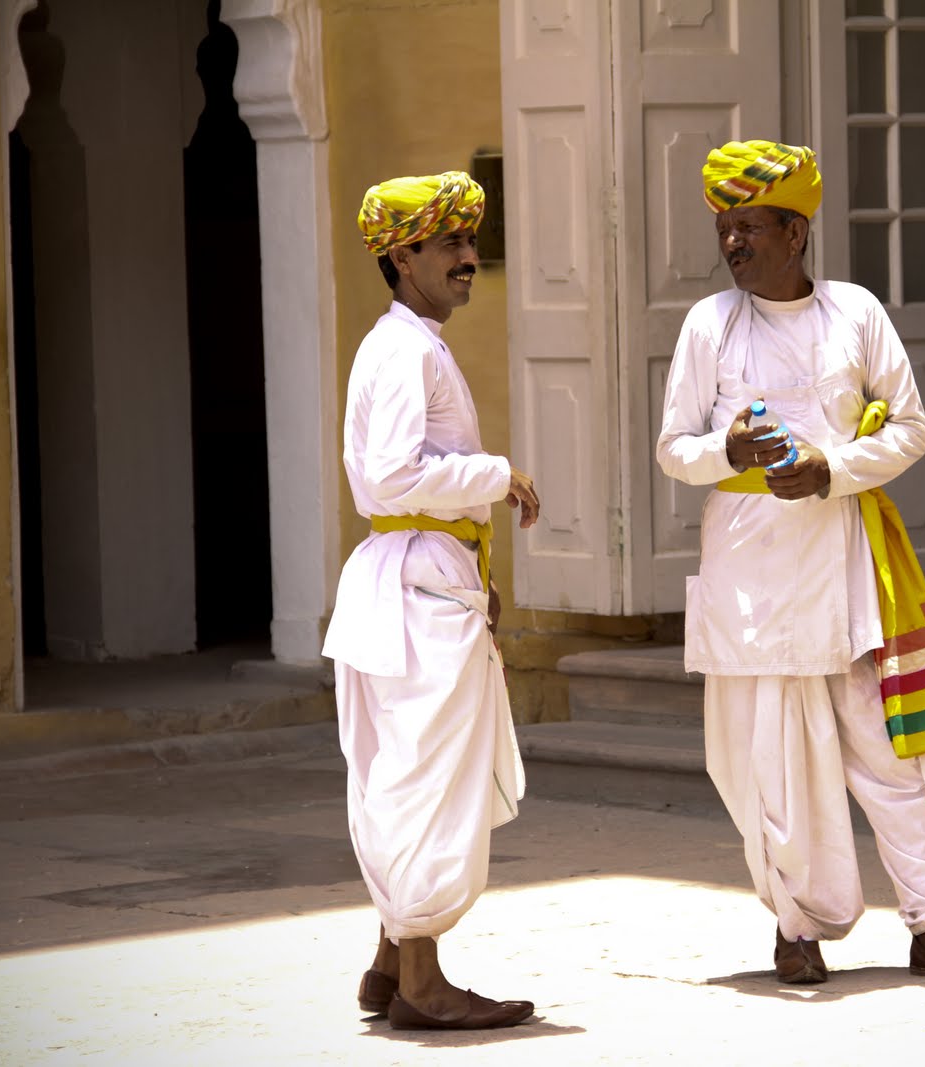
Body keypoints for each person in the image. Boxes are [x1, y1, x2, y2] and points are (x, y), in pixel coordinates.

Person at [656, 141, 925, 986]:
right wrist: (729, 449)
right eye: (725, 228)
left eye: (750, 227)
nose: (734, 244)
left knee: (891, 754)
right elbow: (675, 449)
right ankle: (797, 928)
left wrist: (832, 469)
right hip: (751, 577)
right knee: (772, 761)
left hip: (847, 571)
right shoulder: (707, 324)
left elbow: (911, 427)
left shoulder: (855, 314)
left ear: (797, 233)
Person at [322, 171, 542, 1030]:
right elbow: (388, 474)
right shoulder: (407, 347)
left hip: (412, 571)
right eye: (446, 243)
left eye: (467, 241)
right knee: (424, 780)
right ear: (401, 256)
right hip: (412, 582)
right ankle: (422, 981)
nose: (465, 257)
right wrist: (499, 475)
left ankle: (388, 964)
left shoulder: (405, 341)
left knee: (410, 770)